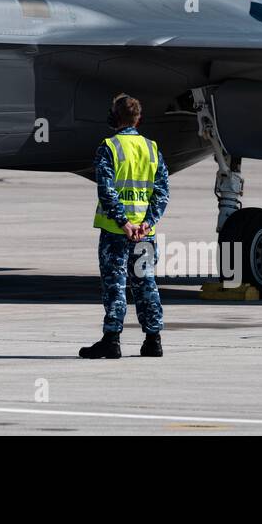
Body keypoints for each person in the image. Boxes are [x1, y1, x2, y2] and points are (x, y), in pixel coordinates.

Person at [79, 94, 169, 359]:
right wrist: (147, 222)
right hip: (145, 234)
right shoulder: (152, 149)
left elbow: (106, 191)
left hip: (117, 233)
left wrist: (124, 222)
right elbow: (162, 192)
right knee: (147, 284)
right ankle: (153, 340)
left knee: (116, 285)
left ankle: (112, 340)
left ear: (115, 117)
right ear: (138, 119)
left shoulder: (109, 147)